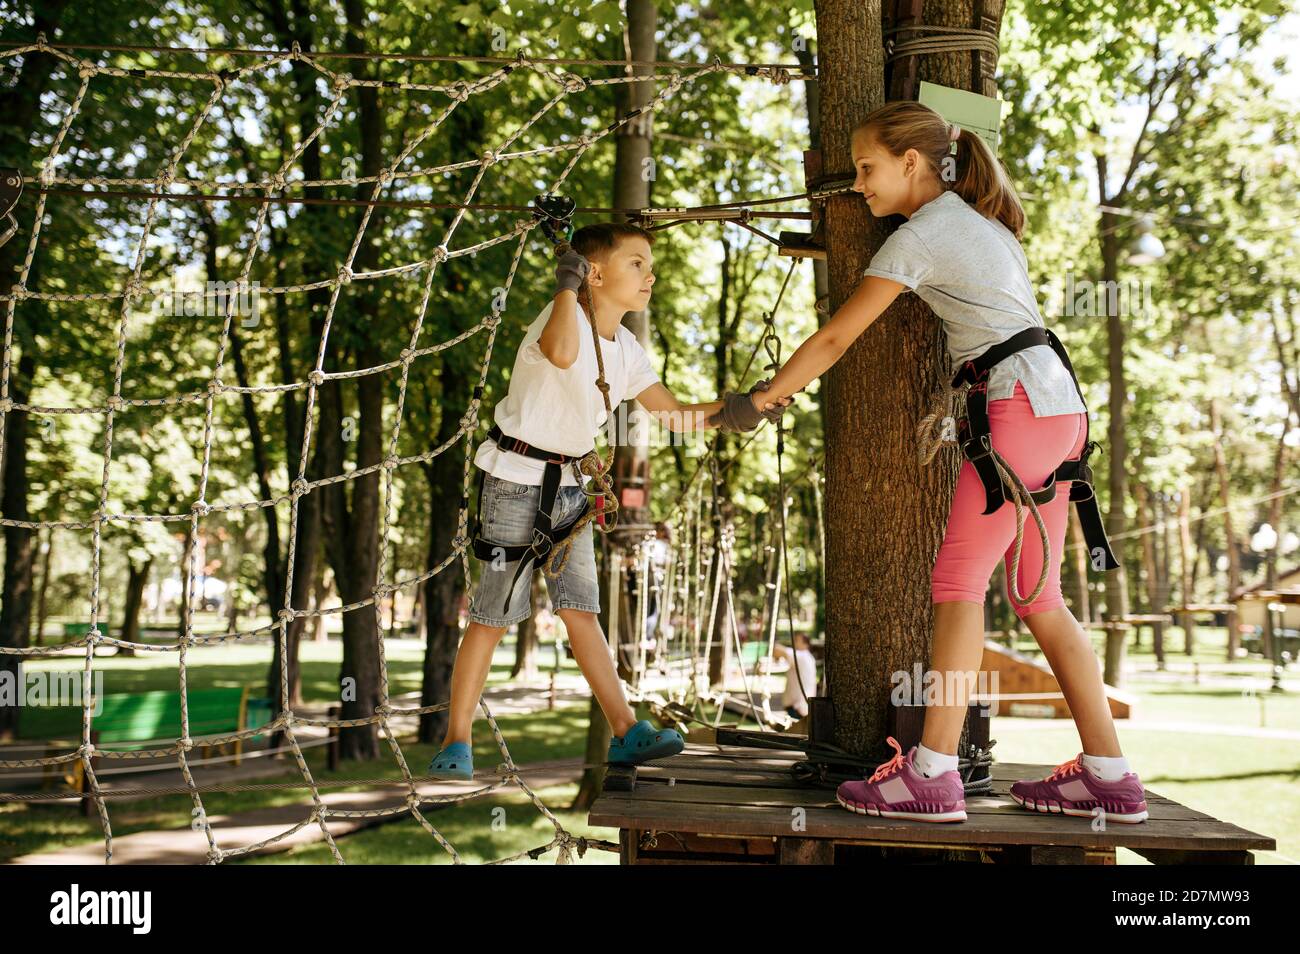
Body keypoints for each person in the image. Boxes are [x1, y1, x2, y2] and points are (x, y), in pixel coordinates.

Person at [724, 102, 1147, 825]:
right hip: (1060, 409)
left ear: (912, 163)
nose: (859, 185)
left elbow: (835, 340)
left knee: (957, 581)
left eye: (867, 168)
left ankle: (932, 773)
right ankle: (1109, 774)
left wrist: (762, 399)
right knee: (1039, 599)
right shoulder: (981, 223)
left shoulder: (924, 232)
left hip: (1013, 408)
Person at [427, 222, 789, 779]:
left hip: (570, 489)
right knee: (492, 615)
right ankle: (457, 740)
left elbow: (673, 414)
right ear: (595, 273)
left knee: (581, 612)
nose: (650, 273)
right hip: (514, 481)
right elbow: (564, 354)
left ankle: (626, 731)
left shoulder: (629, 351)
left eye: (650, 264)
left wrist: (742, 410)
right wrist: (566, 283)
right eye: (636, 263)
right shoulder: (558, 318)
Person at [772, 633, 818, 720]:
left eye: (796, 640)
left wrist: (772, 641)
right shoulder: (807, 657)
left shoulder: (802, 656)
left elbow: (777, 650)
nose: (793, 643)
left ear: (806, 644)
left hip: (798, 708)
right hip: (800, 707)